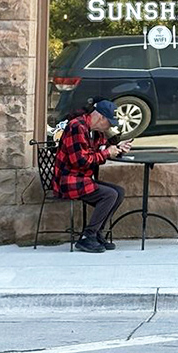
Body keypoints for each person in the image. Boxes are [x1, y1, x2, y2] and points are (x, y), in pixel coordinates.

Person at [52, 99, 132, 253]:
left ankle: (95, 234)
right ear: (100, 118)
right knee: (109, 195)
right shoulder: (76, 126)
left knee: (119, 192)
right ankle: (87, 237)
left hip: (82, 178)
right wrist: (106, 153)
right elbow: (80, 161)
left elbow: (100, 150)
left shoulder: (95, 131)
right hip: (68, 180)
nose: (110, 127)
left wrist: (118, 149)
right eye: (109, 123)